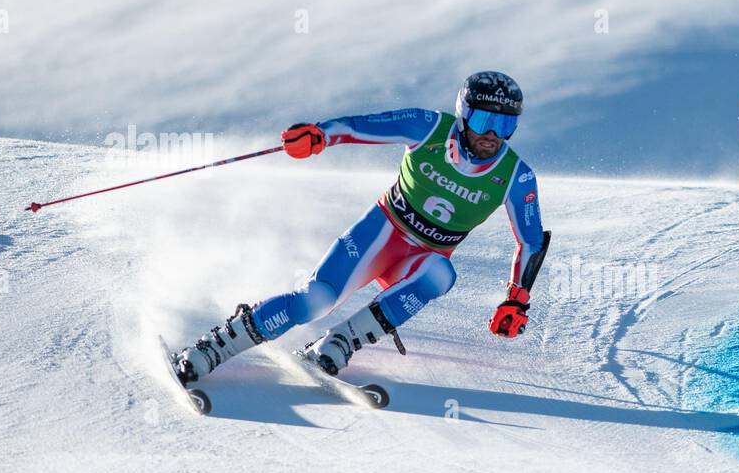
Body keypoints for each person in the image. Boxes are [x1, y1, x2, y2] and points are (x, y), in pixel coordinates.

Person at [174, 71, 549, 384]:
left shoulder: (516, 177)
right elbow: (361, 127)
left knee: (441, 273)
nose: (492, 135)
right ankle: (214, 347)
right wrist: (320, 135)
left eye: (505, 125)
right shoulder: (430, 127)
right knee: (315, 299)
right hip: (381, 233)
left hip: (421, 259)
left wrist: (517, 298)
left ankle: (339, 344)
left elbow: (530, 242)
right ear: (464, 115)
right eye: (485, 121)